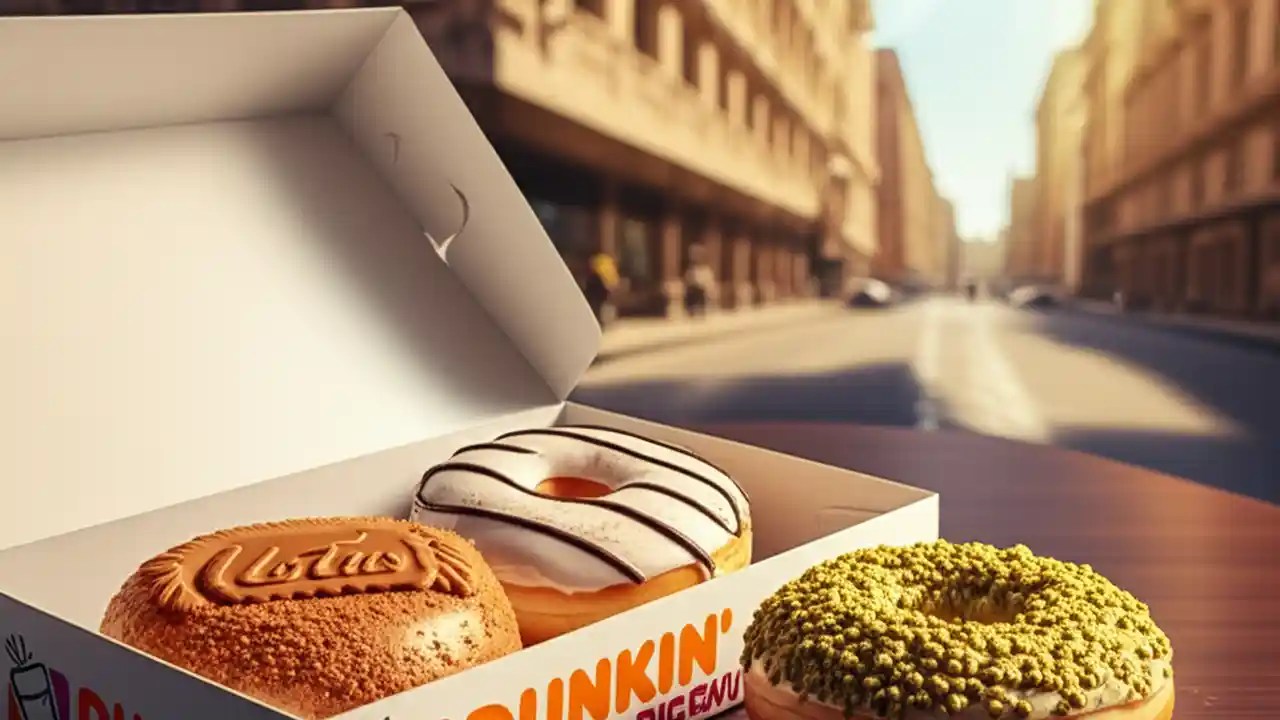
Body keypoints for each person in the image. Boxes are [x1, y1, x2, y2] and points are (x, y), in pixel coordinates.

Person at [585, 251, 619, 328]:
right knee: (602, 307)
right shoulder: (606, 264)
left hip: (599, 293)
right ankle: (603, 322)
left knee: (599, 308)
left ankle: (601, 322)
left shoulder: (599, 267)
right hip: (602, 291)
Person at [683, 244, 715, 318]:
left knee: (700, 296)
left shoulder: (705, 269)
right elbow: (688, 278)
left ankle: (700, 310)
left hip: (701, 289)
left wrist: (709, 288)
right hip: (693, 289)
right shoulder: (691, 269)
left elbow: (708, 281)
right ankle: (692, 310)